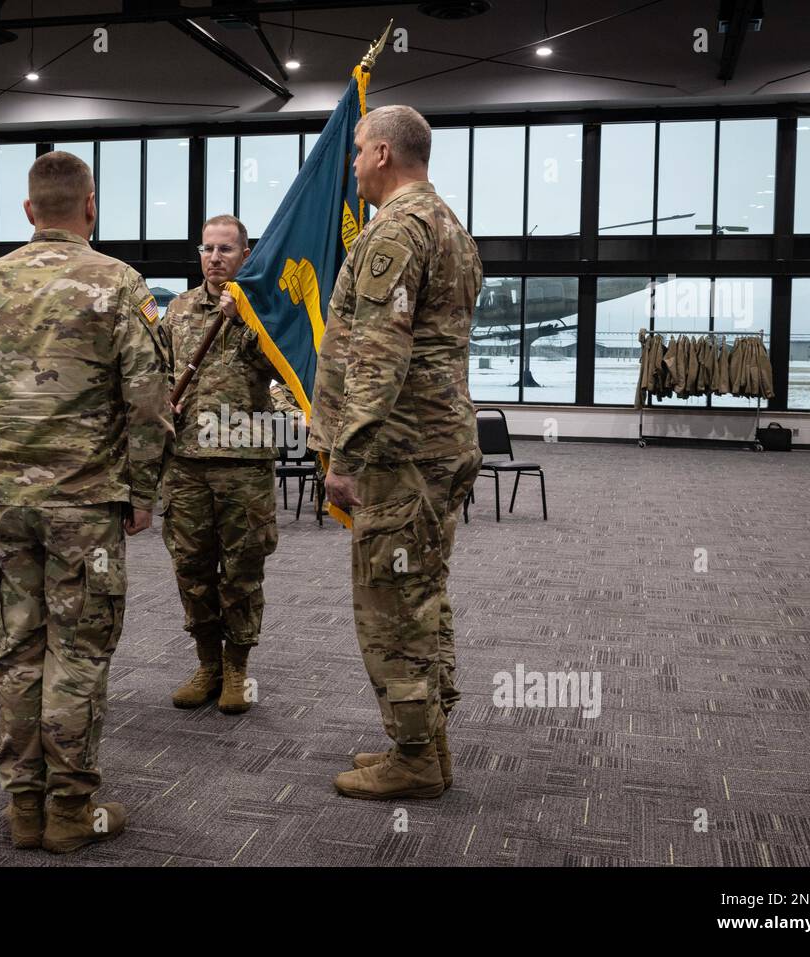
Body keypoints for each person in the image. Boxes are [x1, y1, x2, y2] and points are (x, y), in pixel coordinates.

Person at [0, 151, 171, 853]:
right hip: (87, 502)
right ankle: (69, 809)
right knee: (80, 649)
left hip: (5, 500)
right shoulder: (118, 282)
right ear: (89, 207)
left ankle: (23, 806)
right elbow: (150, 401)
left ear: (29, 211)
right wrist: (144, 489)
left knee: (19, 645)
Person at [310, 105, 483, 801]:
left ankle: (413, 756)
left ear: (383, 153)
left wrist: (345, 455)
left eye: (357, 151)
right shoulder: (449, 225)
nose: (351, 163)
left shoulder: (398, 230)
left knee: (392, 601)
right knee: (422, 592)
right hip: (436, 445)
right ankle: (426, 741)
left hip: (402, 453)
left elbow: (380, 356)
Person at [161, 215, 279, 714]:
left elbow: (291, 370)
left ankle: (237, 667)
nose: (214, 257)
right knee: (191, 568)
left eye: (225, 249)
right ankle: (207, 662)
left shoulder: (266, 312)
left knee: (242, 570)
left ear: (245, 256)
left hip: (243, 463)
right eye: (207, 248)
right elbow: (157, 371)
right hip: (187, 462)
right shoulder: (179, 311)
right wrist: (160, 403)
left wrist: (249, 320)